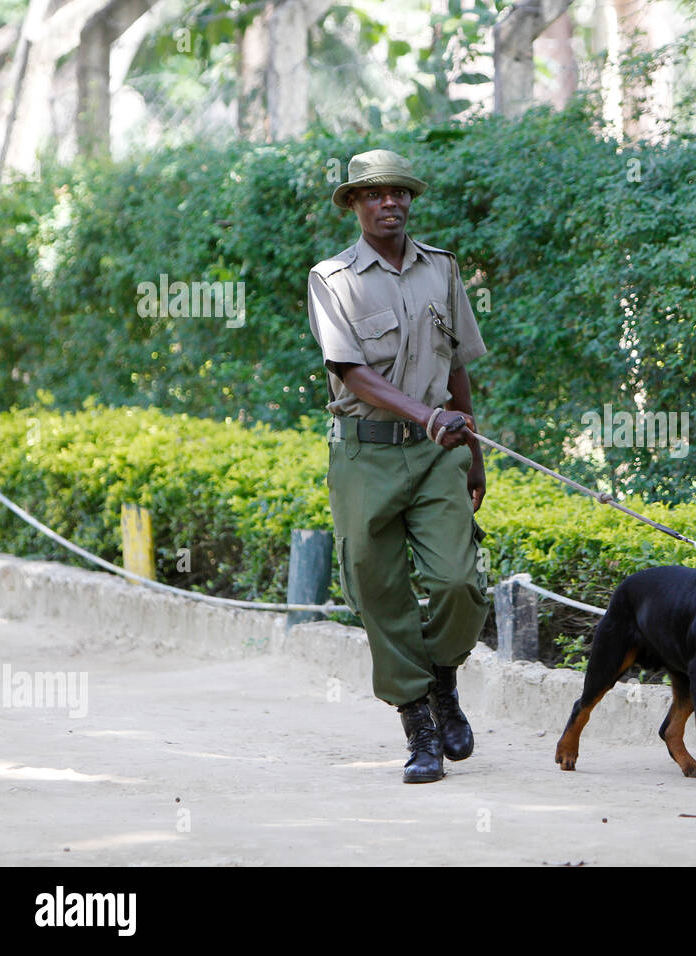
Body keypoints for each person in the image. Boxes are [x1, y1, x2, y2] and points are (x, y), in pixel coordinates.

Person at [306, 148, 490, 784]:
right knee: (378, 591)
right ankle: (420, 729)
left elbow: (459, 364)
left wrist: (474, 454)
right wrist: (425, 414)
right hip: (365, 454)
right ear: (354, 204)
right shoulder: (331, 278)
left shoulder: (441, 269)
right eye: (375, 194)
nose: (390, 203)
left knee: (459, 582)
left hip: (440, 452)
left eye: (400, 193)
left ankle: (442, 679)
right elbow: (350, 373)